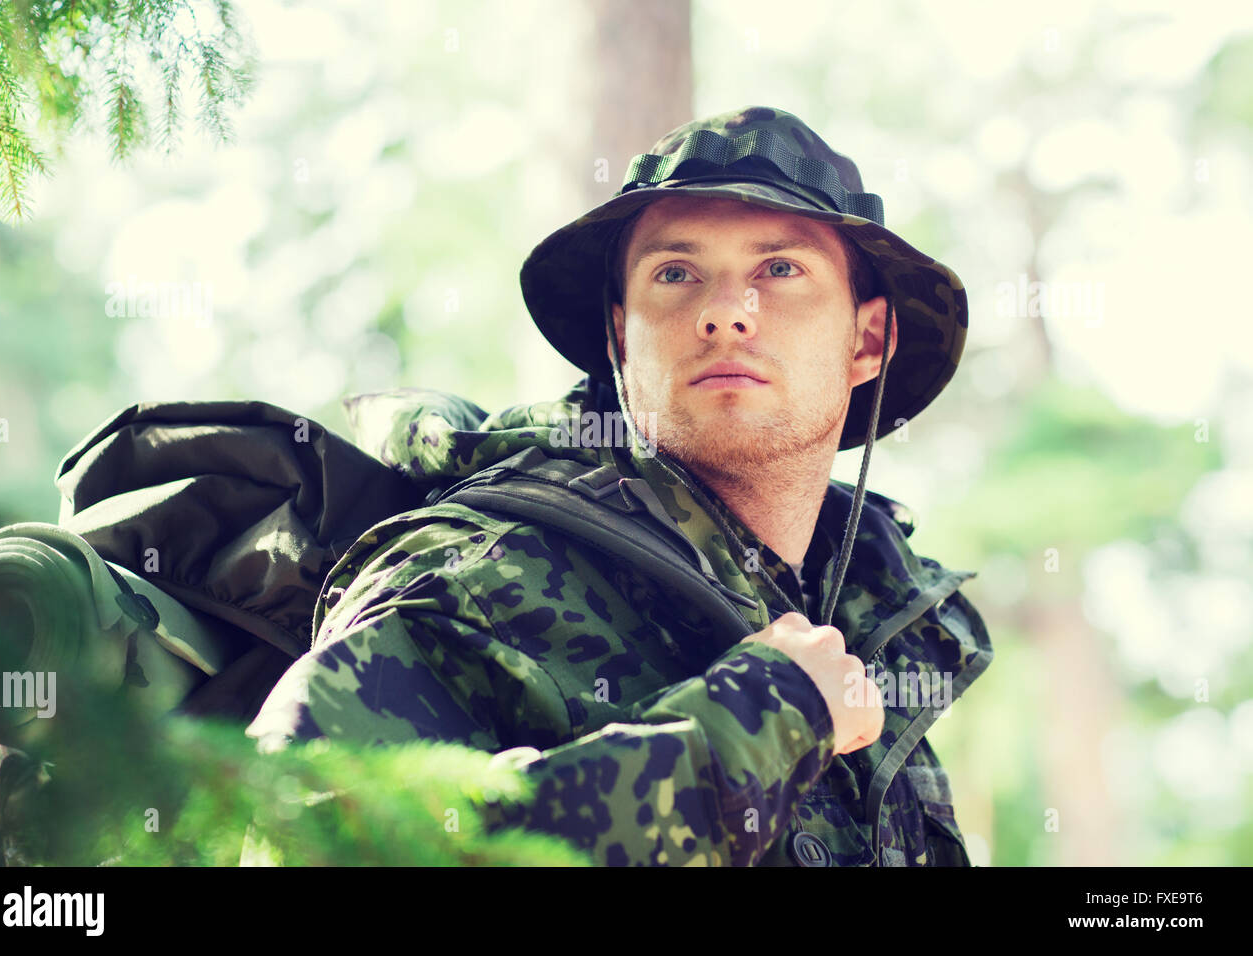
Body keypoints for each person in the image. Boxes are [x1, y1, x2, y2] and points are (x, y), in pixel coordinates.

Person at [247, 105, 995, 867]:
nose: (725, 314)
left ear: (866, 339)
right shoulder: (474, 579)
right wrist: (751, 728)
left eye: (780, 270)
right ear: (618, 339)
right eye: (676, 273)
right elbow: (308, 843)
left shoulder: (878, 628)